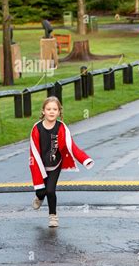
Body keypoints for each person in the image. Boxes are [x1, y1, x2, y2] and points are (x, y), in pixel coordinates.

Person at [29, 97, 95, 227]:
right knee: (41, 191)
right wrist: (37, 168)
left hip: (55, 165)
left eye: (55, 109)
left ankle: (53, 216)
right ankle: (39, 197)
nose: (51, 112)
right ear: (43, 111)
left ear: (59, 112)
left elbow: (72, 146)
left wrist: (85, 159)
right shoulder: (37, 128)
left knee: (50, 190)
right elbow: (34, 151)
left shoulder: (61, 127)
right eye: (48, 109)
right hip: (40, 165)